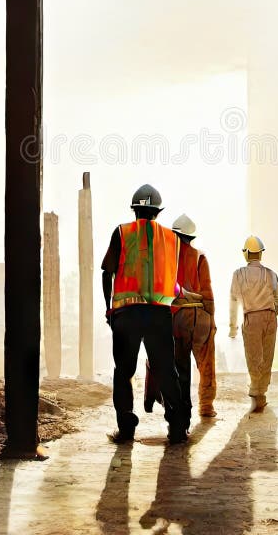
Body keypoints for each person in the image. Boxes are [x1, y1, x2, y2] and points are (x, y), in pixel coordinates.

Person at [101, 183, 188, 444]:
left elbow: (108, 272)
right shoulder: (172, 239)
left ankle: (126, 428)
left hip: (127, 314)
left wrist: (109, 307)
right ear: (158, 212)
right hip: (159, 314)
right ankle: (177, 428)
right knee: (166, 370)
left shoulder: (122, 232)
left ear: (134, 210)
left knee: (123, 372)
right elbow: (173, 280)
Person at [144, 213, 217, 424]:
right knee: (207, 364)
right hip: (200, 318)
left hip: (175, 319)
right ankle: (207, 406)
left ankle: (181, 415)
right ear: (190, 237)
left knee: (179, 369)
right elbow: (209, 296)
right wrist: (211, 322)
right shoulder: (200, 257)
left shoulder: (164, 259)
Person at [229, 235, 278, 412]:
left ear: (246, 253)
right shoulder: (271, 274)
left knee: (254, 357)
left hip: (252, 318)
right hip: (270, 317)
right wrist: (277, 314)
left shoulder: (238, 274)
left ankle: (256, 392)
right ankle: (262, 393)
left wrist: (233, 327)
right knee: (267, 357)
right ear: (261, 253)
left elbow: (233, 300)